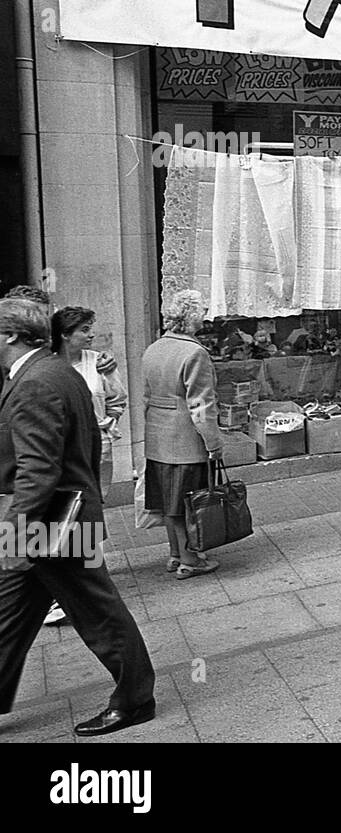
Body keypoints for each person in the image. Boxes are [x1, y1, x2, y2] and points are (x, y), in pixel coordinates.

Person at [0, 298, 156, 736]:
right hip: (61, 516)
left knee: (98, 612)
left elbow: (39, 468)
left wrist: (14, 531)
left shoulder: (36, 380)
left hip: (55, 523)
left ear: (11, 335)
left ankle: (135, 698)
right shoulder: (54, 370)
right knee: (7, 614)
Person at [141, 290, 223, 578]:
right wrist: (213, 442)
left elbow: (146, 397)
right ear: (191, 316)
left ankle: (175, 554)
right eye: (201, 311)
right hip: (185, 438)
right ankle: (191, 559)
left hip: (158, 436)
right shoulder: (194, 352)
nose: (205, 317)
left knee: (169, 502)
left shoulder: (154, 348)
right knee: (188, 502)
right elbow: (201, 405)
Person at [51, 307, 126, 493]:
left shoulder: (99, 362)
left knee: (96, 500)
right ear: (65, 334)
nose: (91, 335)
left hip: (97, 444)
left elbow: (117, 399)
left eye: (91, 329)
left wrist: (108, 424)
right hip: (62, 446)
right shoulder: (48, 366)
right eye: (84, 330)